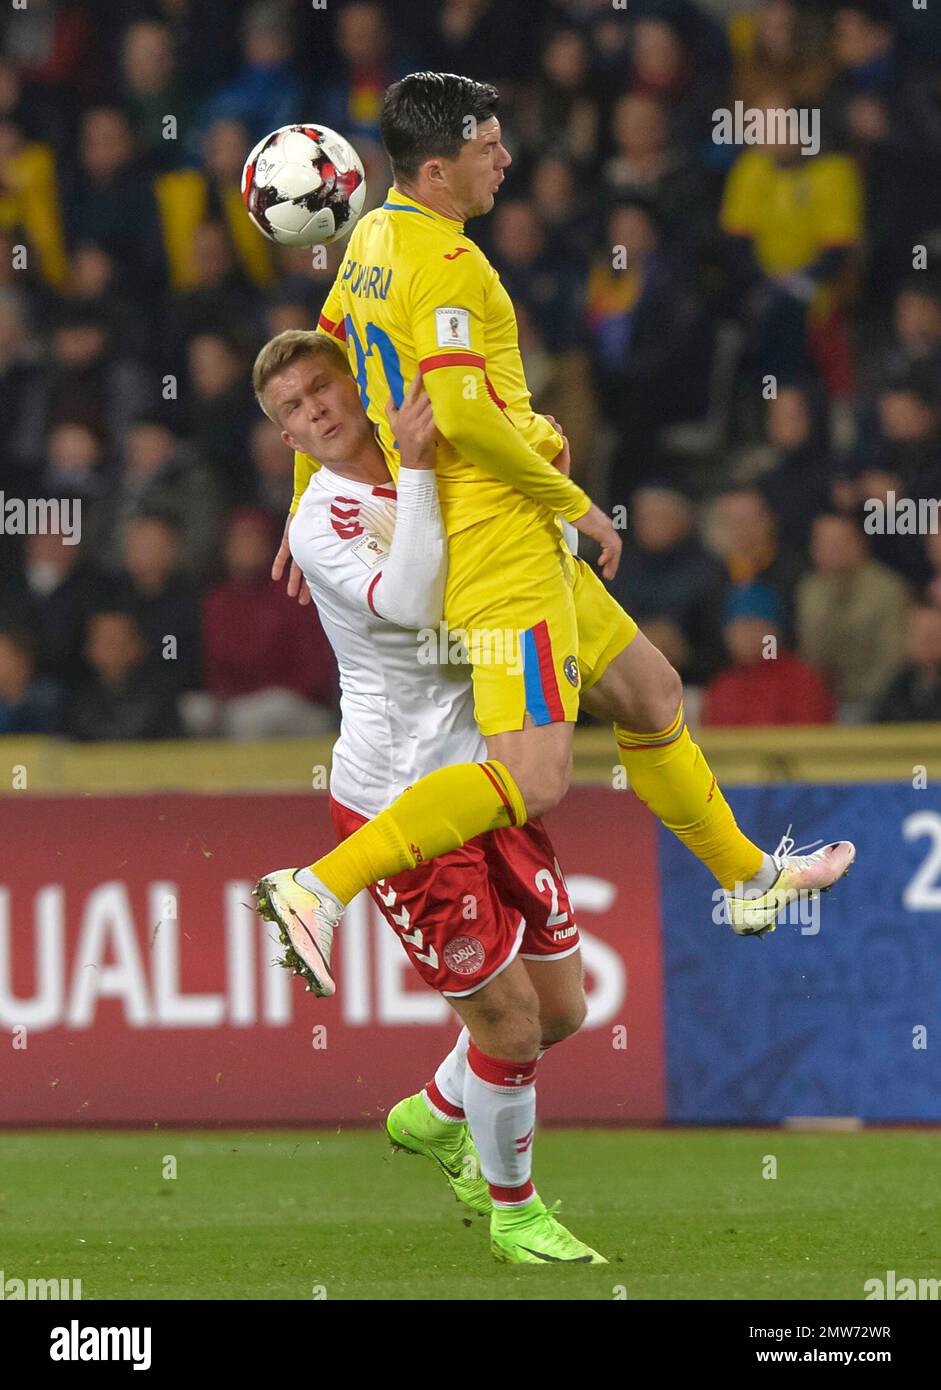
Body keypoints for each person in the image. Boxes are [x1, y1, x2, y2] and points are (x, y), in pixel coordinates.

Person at [257, 72, 854, 1016]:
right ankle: (320, 887)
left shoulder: (370, 239)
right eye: (490, 143)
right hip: (499, 550)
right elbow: (455, 406)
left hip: (509, 533)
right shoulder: (448, 266)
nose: (507, 157)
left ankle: (746, 878)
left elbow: (323, 360)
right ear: (441, 165)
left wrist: (309, 495)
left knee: (650, 689)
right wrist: (570, 497)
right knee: (532, 778)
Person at [255, 330, 602, 1265]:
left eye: (320, 387)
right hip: (399, 798)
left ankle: (436, 1112)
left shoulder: (444, 454)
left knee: (563, 1009)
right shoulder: (320, 521)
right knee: (511, 1022)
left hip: (490, 778)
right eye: (291, 408)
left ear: (353, 385)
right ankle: (516, 1213)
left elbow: (525, 556)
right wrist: (416, 468)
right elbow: (412, 602)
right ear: (286, 437)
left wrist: (543, 464)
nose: (314, 410)